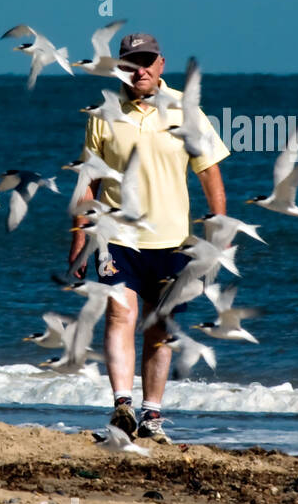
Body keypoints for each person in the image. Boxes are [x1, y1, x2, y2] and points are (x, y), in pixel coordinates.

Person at [69, 32, 228, 443]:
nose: (139, 69)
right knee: (120, 314)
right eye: (130, 62)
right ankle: (122, 404)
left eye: (146, 61)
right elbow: (89, 181)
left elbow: (210, 173)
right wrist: (78, 235)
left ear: (160, 64)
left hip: (172, 239)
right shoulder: (103, 115)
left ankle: (152, 414)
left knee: (160, 326)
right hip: (116, 236)